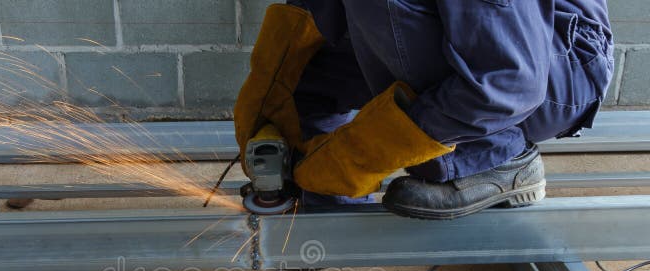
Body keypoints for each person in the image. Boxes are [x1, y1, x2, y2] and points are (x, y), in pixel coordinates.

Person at [234, 1, 613, 219]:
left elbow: (509, 78)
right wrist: (276, 87)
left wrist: (362, 154)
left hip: (555, 67)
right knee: (303, 91)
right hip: (479, 41)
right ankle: (322, 193)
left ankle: (493, 156)